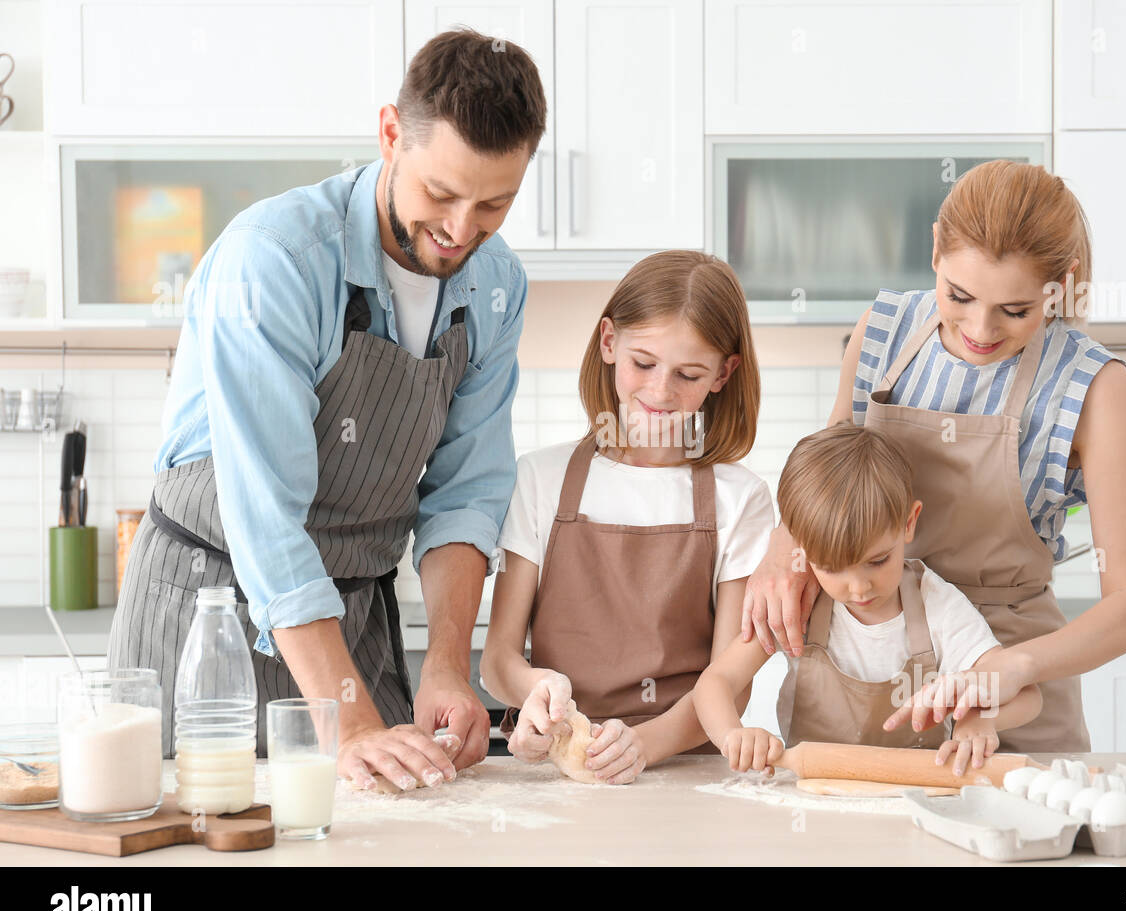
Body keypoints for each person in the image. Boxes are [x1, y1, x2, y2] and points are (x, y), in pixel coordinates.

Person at [109, 29, 547, 792]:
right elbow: (268, 518)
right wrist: (349, 720)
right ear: (389, 135)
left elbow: (465, 494)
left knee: (384, 833)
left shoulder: (496, 287)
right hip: (209, 606)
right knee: (211, 830)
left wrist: (447, 667)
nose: (459, 231)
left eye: (495, 205)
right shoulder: (274, 261)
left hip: (354, 613)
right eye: (440, 194)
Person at [741, 160, 1126, 754]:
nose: (981, 329)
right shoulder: (882, 332)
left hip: (1008, 693)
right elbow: (825, 473)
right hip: (873, 669)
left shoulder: (1093, 387)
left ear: (1059, 285)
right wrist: (783, 552)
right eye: (959, 296)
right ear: (936, 248)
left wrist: (1013, 670)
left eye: (1016, 310)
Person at [480, 251, 773, 784]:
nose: (660, 392)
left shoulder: (742, 499)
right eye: (644, 363)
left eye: (688, 374)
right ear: (609, 342)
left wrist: (645, 745)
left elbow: (732, 681)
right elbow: (497, 660)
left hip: (686, 774)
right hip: (563, 773)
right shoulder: (541, 479)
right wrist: (536, 700)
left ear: (723, 374)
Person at [695, 423, 1042, 775]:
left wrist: (980, 720)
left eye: (877, 561)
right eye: (831, 568)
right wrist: (734, 736)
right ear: (800, 548)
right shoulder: (801, 604)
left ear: (909, 522)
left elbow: (1029, 695)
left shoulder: (934, 603)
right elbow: (715, 683)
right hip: (813, 800)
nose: (859, 588)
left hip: (915, 798)